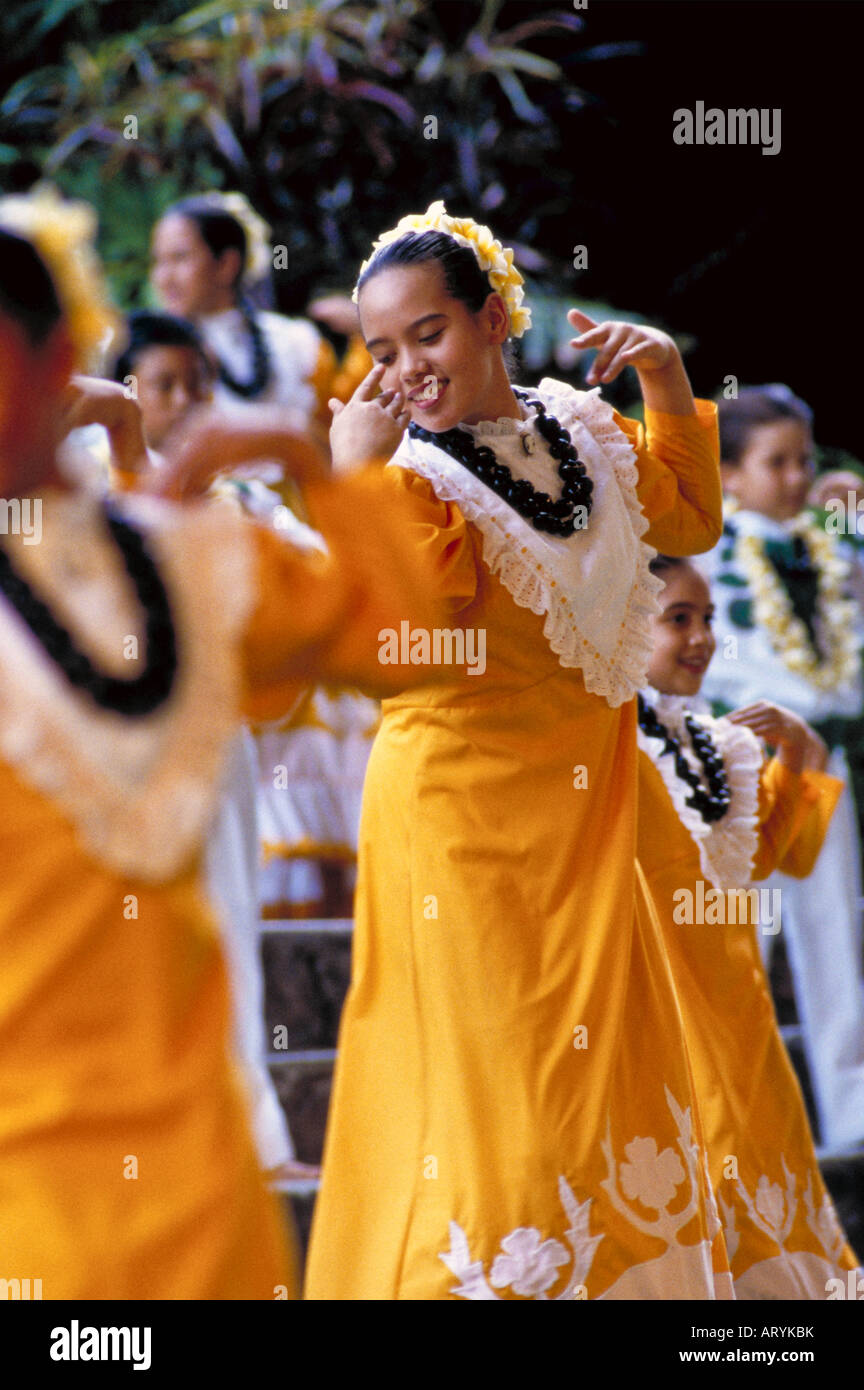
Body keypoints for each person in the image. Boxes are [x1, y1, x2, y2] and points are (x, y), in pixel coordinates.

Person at [0, 185, 443, 1299]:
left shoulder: (187, 557)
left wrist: (313, 460)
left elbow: (400, 638)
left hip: (198, 1197)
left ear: (59, 364)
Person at [305, 201, 729, 1301]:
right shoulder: (409, 477)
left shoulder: (583, 430)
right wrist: (353, 490)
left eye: (429, 335)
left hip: (591, 815)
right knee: (502, 1091)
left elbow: (683, 522)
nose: (406, 371)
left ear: (496, 319)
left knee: (602, 1082)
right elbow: (389, 654)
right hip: (463, 825)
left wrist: (670, 382)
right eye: (383, 352)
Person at [636, 553, 860, 1297]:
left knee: (756, 1141)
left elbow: (782, 853)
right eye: (678, 620)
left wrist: (796, 745)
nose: (701, 638)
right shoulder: (606, 746)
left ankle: (766, 1310)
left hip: (735, 999)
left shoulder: (714, 742)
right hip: (656, 995)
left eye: (705, 620)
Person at [698, 385, 864, 1151]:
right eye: (776, 463)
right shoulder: (707, 548)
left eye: (805, 460)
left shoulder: (831, 546)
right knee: (742, 939)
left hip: (817, 758)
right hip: (745, 762)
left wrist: (848, 515)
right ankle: (731, 1118)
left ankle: (852, 1113)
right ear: (730, 473)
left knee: (834, 931)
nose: (796, 477)